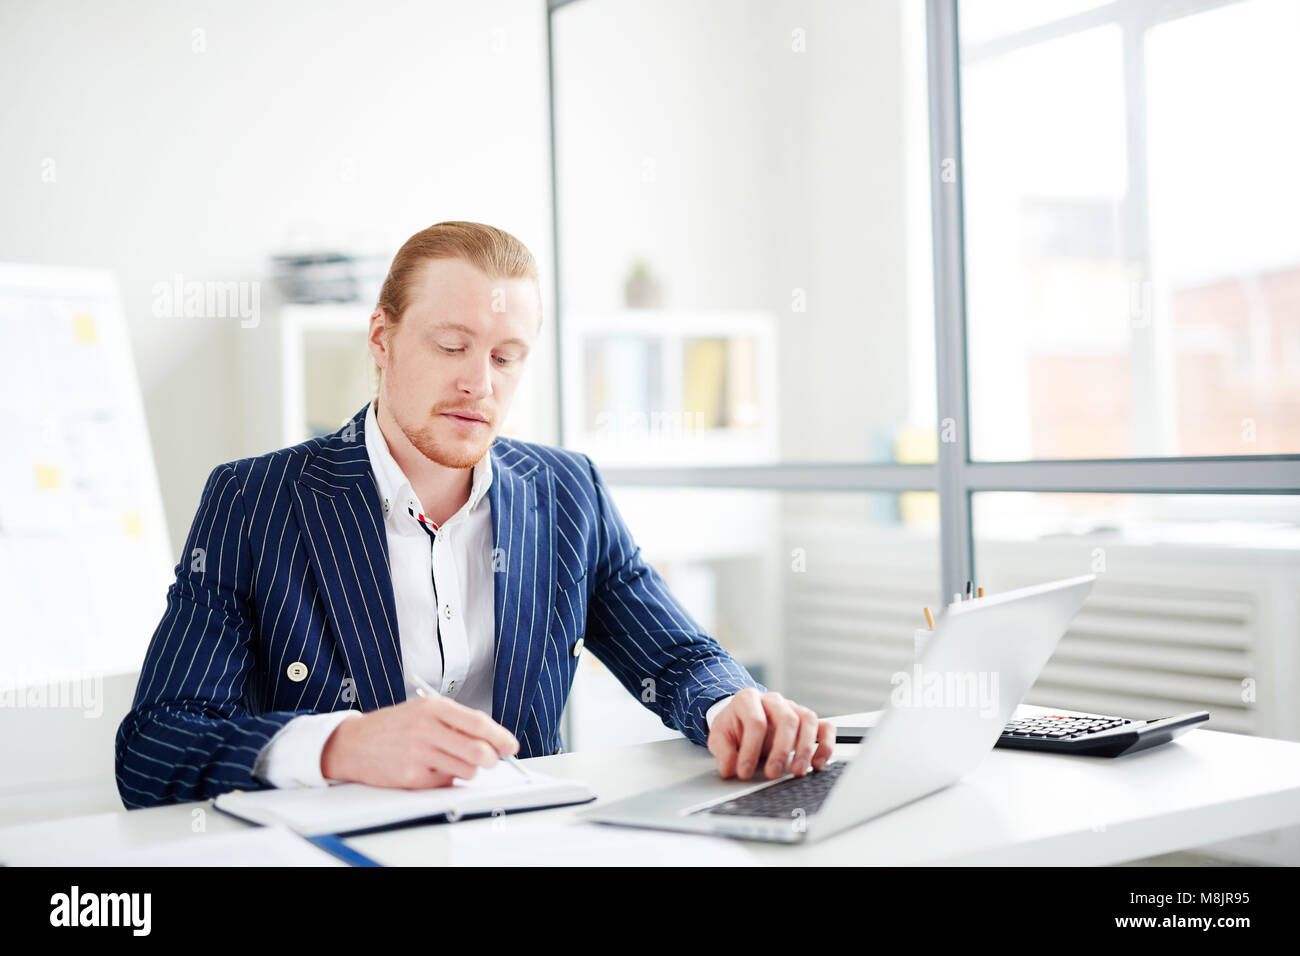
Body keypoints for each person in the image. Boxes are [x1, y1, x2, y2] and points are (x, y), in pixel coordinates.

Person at [115, 221, 835, 808]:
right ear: (381, 339)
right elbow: (155, 746)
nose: (478, 383)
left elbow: (679, 658)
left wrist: (733, 705)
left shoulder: (566, 492)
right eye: (452, 345)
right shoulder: (254, 501)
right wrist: (340, 745)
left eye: (507, 357)